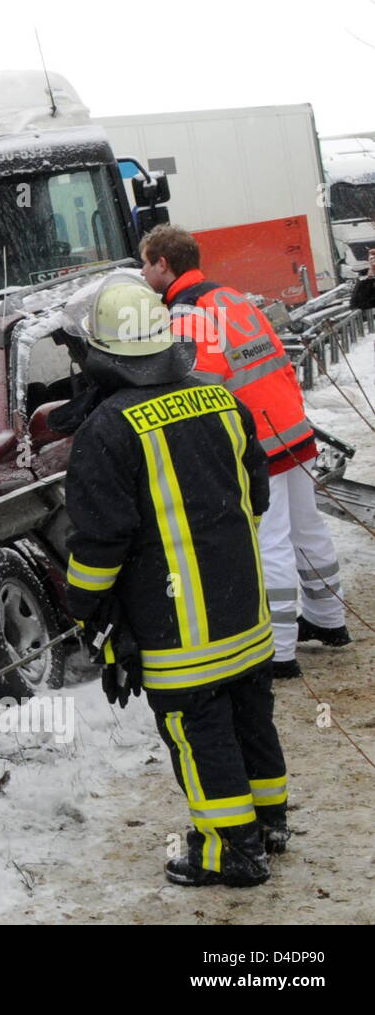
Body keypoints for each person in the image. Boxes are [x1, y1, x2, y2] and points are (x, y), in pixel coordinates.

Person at [63, 272, 288, 887]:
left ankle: (230, 851)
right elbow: (256, 498)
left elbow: (100, 546)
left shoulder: (106, 431)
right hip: (247, 612)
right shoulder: (222, 399)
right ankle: (270, 822)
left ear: (103, 356)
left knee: (199, 731)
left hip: (181, 631)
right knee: (251, 715)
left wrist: (83, 607)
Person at [139, 225, 350, 680]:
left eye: (145, 263)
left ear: (163, 264)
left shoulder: (187, 311)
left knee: (270, 536)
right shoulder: (229, 296)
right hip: (291, 423)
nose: (142, 272)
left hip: (259, 436)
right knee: (306, 525)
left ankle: (279, 651)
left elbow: (204, 385)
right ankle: (330, 620)